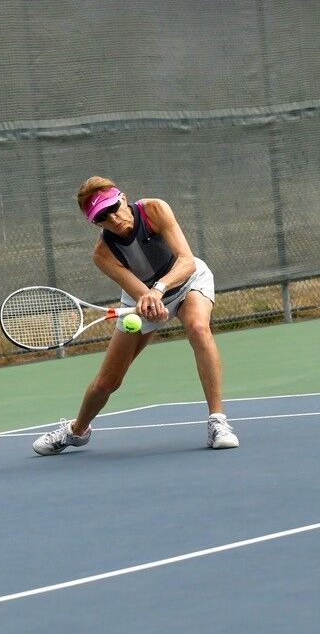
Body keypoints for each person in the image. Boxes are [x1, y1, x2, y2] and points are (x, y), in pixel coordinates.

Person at [32, 176, 239, 455]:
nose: (113, 218)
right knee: (107, 382)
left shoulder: (154, 209)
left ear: (124, 198)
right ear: (95, 222)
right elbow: (142, 294)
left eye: (114, 207)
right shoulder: (103, 254)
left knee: (198, 328)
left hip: (189, 280)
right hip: (142, 298)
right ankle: (77, 431)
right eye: (102, 216)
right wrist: (151, 299)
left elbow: (186, 261)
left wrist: (160, 289)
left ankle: (218, 422)